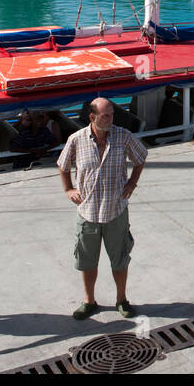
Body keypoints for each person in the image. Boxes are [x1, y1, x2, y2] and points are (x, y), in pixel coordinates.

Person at [58, 97, 147, 319]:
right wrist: (68, 188)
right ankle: (89, 301)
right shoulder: (76, 140)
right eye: (105, 115)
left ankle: (121, 300)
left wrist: (132, 183)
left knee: (120, 258)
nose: (109, 119)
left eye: (111, 115)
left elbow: (141, 157)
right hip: (87, 212)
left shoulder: (123, 136)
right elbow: (63, 164)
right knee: (87, 260)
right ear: (92, 117)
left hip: (115, 210)